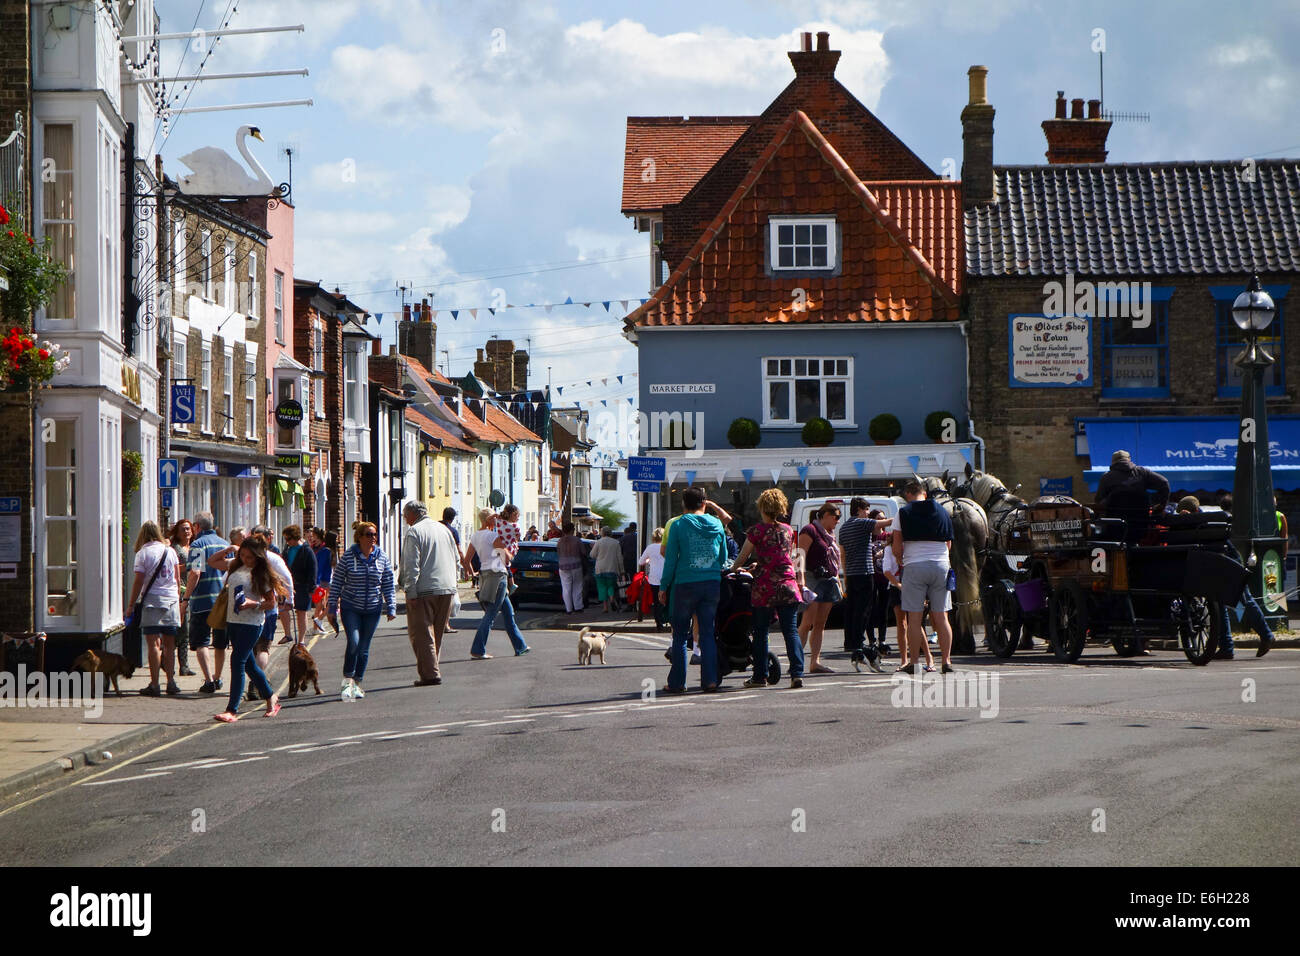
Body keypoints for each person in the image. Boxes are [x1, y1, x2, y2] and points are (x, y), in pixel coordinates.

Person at [1179, 496, 1275, 659]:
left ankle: (1266, 635)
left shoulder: (1205, 522)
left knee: (1245, 599)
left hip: (1228, 563)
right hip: (1217, 563)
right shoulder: (1199, 522)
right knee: (1219, 605)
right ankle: (1227, 646)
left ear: (1194, 510)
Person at [731, 488, 807, 688]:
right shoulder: (787, 530)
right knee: (790, 630)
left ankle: (760, 675)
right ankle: (797, 673)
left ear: (762, 507)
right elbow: (783, 555)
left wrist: (732, 568)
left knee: (761, 631)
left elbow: (744, 555)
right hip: (787, 584)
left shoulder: (756, 531)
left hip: (765, 586)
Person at [658, 486, 728, 693]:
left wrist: (663, 587)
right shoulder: (717, 524)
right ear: (704, 503)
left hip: (685, 584)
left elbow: (670, 559)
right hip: (711, 583)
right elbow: (723, 557)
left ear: (683, 504)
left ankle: (678, 682)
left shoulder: (679, 525)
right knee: (707, 633)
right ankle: (710, 680)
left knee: (679, 634)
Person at [212, 538, 285, 723]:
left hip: (252, 623)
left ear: (258, 557)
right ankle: (271, 698)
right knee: (249, 665)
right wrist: (228, 550)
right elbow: (211, 562)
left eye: (250, 557)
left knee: (237, 661)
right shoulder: (235, 566)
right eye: (242, 555)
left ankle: (231, 710)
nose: (246, 559)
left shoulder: (262, 574)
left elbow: (271, 603)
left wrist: (254, 603)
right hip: (233, 620)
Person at [328, 521, 397, 700]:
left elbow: (388, 583)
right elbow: (337, 583)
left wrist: (391, 606)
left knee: (364, 648)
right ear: (359, 537)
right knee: (354, 642)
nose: (372, 538)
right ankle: (347, 682)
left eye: (374, 535)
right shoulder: (349, 556)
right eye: (368, 534)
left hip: (373, 608)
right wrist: (331, 607)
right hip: (351, 607)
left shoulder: (382, 556)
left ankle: (357, 683)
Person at [893, 478, 955, 674]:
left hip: (914, 565)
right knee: (942, 616)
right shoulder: (942, 511)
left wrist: (901, 560)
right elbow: (949, 544)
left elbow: (896, 546)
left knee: (914, 618)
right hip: (940, 565)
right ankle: (946, 661)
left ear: (908, 496)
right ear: (925, 494)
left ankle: (914, 663)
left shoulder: (902, 513)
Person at [401, 500, 458, 686]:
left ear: (412, 514)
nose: (404, 518)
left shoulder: (414, 532)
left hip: (425, 589)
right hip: (447, 587)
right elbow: (455, 559)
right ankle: (433, 669)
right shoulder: (444, 530)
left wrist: (410, 591)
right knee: (437, 633)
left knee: (422, 633)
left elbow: (411, 565)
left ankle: (430, 674)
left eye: (404, 515)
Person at [464, 508, 530, 658]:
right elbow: (506, 558)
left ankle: (520, 646)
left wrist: (471, 573)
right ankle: (478, 649)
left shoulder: (475, 536)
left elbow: (467, 560)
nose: (497, 521)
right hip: (498, 575)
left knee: (508, 614)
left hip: (485, 575)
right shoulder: (492, 535)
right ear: (489, 520)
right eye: (494, 518)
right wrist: (510, 553)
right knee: (491, 615)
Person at [128, 521, 183, 696]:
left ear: (142, 534)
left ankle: (155, 684)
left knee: (153, 645)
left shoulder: (142, 554)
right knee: (169, 644)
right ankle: (171, 682)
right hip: (171, 600)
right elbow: (177, 577)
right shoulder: (170, 551)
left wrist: (130, 605)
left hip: (151, 601)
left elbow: (138, 581)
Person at [840, 497, 891, 666]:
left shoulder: (844, 527)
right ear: (860, 510)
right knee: (865, 611)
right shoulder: (862, 523)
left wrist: (845, 575)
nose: (869, 513)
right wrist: (901, 517)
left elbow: (844, 554)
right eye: (867, 509)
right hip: (865, 572)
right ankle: (860, 646)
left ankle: (855, 645)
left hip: (852, 574)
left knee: (855, 611)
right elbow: (883, 524)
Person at [185, 512, 229, 695]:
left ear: (197, 526)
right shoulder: (225, 544)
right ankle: (218, 678)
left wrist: (186, 597)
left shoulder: (197, 544)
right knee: (220, 643)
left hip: (202, 601)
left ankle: (209, 680)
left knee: (201, 642)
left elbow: (195, 573)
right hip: (221, 602)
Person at [797, 503, 843, 674]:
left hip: (828, 580)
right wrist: (800, 578)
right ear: (824, 515)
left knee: (820, 624)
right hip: (812, 579)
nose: (838, 521)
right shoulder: (809, 530)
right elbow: (799, 555)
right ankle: (797, 661)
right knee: (807, 622)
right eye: (836, 517)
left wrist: (837, 578)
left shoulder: (829, 534)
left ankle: (815, 662)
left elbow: (833, 560)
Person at [1095, 450, 1171, 544]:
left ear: (1113, 462)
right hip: (1141, 526)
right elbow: (1164, 483)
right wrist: (1161, 506)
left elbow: (1098, 502)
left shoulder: (1106, 478)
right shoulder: (1142, 473)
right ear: (1129, 460)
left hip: (1116, 528)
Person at [169, 519, 197, 676]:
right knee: (181, 630)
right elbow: (171, 568)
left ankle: (183, 665)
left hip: (193, 593)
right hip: (180, 593)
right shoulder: (175, 549)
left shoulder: (195, 547)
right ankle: (173, 665)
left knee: (186, 632)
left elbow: (199, 569)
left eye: (188, 529)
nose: (187, 531)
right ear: (177, 533)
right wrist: (187, 567)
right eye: (183, 529)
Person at [281, 525, 317, 645]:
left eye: (288, 539)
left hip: (302, 586)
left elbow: (313, 570)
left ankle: (301, 640)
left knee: (301, 612)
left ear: (295, 537)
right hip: (287, 585)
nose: (287, 542)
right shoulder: (287, 549)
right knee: (283, 609)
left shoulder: (306, 550)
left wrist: (312, 588)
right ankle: (288, 634)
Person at [867, 510, 892, 654]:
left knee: (883, 609)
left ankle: (882, 639)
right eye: (879, 519)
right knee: (869, 609)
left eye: (884, 518)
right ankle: (871, 640)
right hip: (871, 576)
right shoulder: (867, 537)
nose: (882, 521)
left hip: (885, 576)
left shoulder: (888, 536)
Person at [638, 527, 667, 630]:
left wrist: (648, 560)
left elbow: (641, 562)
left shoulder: (650, 547)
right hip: (666, 576)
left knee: (657, 600)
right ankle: (666, 619)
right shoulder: (667, 546)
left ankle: (659, 623)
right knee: (667, 600)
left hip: (654, 578)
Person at [590, 527, 623, 612]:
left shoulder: (599, 542)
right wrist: (622, 571)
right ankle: (612, 599)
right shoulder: (616, 543)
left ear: (602, 533)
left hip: (600, 568)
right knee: (610, 586)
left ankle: (605, 607)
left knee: (602, 587)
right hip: (612, 568)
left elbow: (592, 555)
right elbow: (619, 558)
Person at [308, 526, 333, 635]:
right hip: (321, 581)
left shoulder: (324, 550)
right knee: (321, 604)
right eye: (312, 537)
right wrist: (316, 581)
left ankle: (317, 626)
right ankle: (316, 626)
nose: (312, 538)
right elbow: (319, 567)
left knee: (323, 603)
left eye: (314, 537)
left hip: (324, 580)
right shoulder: (317, 550)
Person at [557, 521, 586, 614]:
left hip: (563, 566)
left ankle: (569, 609)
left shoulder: (560, 541)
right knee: (577, 586)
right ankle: (578, 607)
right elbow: (584, 552)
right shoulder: (577, 540)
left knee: (566, 587)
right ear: (572, 530)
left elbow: (558, 553)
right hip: (576, 564)